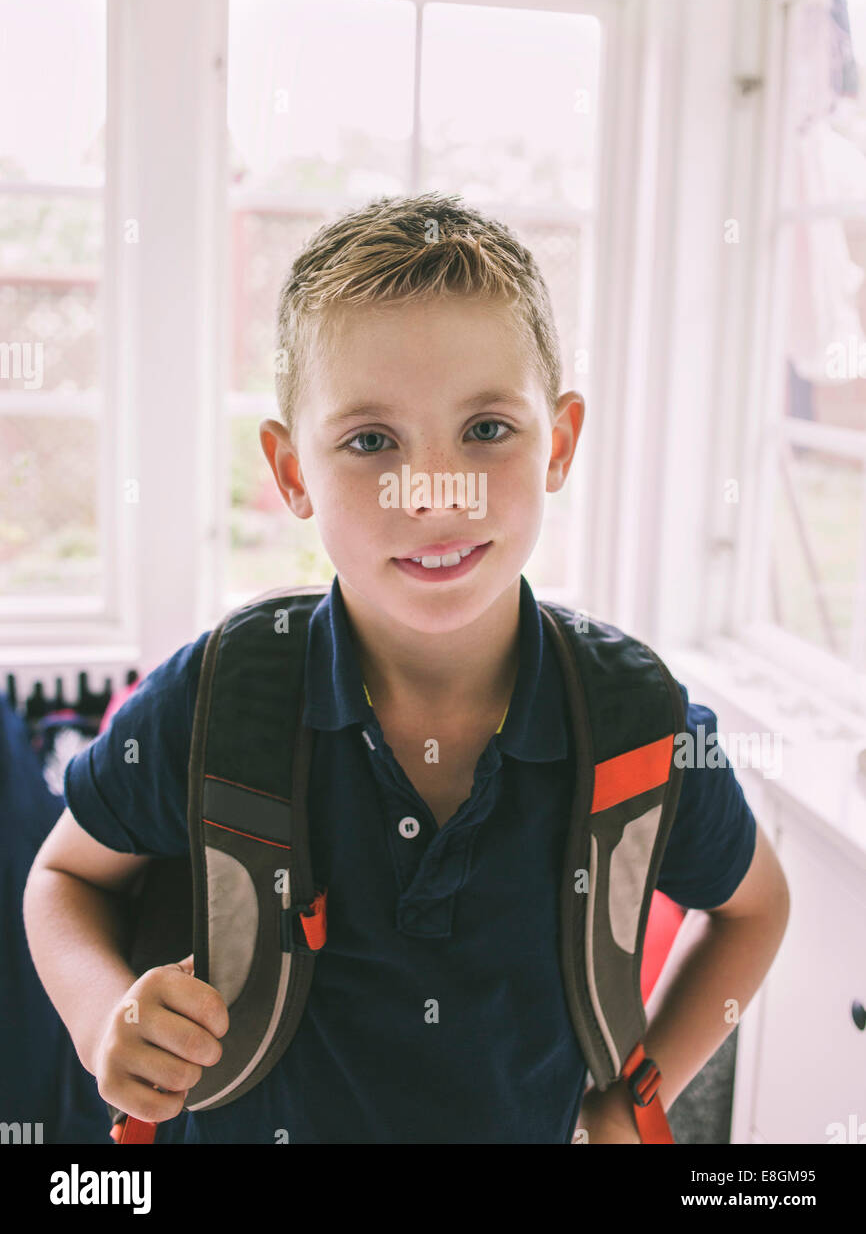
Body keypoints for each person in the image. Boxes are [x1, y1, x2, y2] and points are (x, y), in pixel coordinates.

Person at [23, 192, 789, 1144]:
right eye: (371, 442)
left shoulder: (638, 718)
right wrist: (104, 1017)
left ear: (558, 443)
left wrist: (634, 1105)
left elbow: (755, 907)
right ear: (292, 473)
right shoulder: (218, 698)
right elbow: (62, 879)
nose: (435, 494)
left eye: (486, 430)